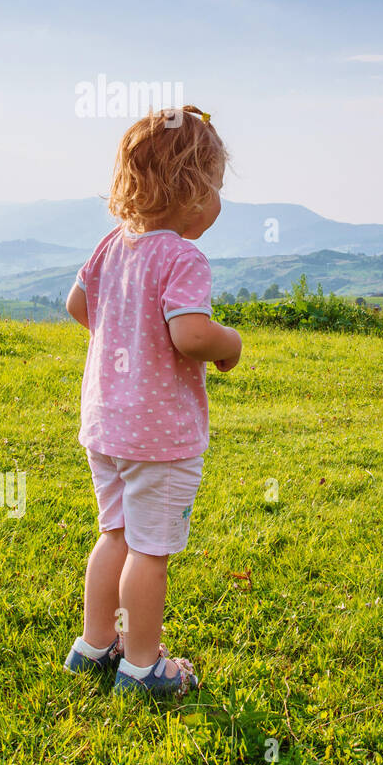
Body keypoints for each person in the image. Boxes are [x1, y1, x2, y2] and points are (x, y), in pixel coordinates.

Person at [62, 106, 241, 698]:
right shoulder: (182, 257)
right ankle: (143, 668)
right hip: (159, 438)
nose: (218, 201)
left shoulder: (111, 246)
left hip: (106, 425)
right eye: (216, 187)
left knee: (112, 534)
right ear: (193, 194)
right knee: (151, 550)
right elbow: (190, 335)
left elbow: (76, 306)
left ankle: (93, 647)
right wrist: (228, 345)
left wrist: (117, 333)